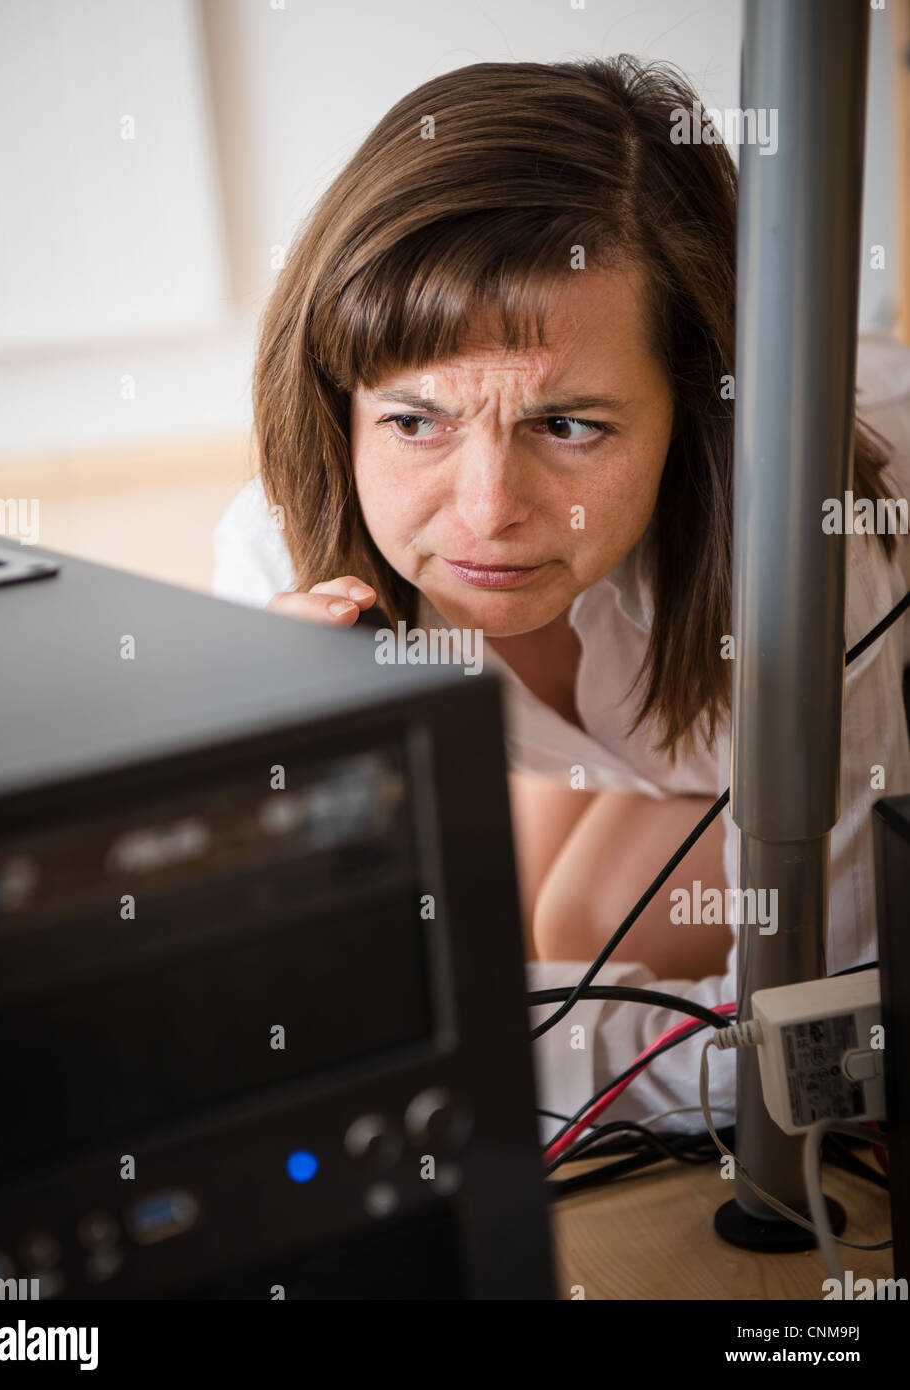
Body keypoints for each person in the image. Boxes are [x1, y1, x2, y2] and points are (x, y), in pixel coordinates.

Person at [212, 56, 910, 1135]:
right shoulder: (281, 554)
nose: (488, 513)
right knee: (550, 925)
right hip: (671, 730)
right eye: (415, 420)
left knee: (578, 928)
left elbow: (841, 1044)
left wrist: (480, 1046)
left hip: (849, 689)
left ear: (696, 409)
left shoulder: (818, 560)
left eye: (570, 424)